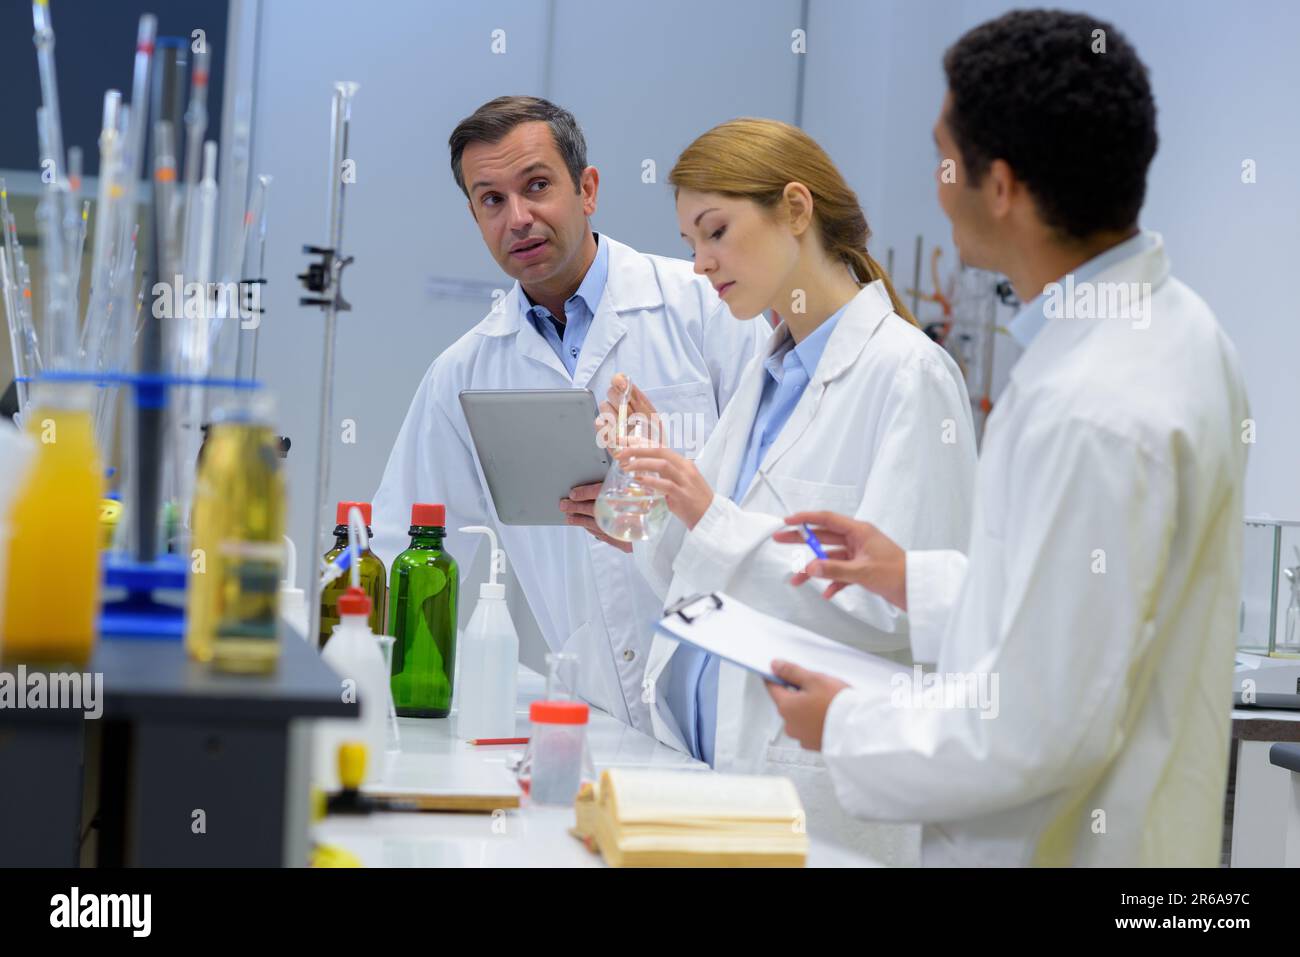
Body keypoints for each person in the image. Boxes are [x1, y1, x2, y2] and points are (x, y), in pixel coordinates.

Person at [765, 10, 1250, 866]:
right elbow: (1081, 611)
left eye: (946, 156)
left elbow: (1032, 726)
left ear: (1002, 187)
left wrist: (841, 723)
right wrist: (912, 577)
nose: (936, 182)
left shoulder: (1094, 401)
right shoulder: (1172, 328)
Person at [590, 118, 977, 860]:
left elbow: (902, 607)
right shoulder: (764, 379)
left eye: (715, 231)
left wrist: (710, 513)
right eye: (689, 244)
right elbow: (691, 582)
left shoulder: (908, 375)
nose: (700, 263)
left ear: (796, 210)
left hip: (817, 798)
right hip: (708, 779)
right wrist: (652, 479)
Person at [371, 97, 766, 732]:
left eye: (536, 186)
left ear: (587, 189)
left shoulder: (707, 311)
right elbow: (402, 545)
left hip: (730, 694)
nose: (519, 218)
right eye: (491, 200)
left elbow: (771, 498)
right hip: (601, 715)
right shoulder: (465, 373)